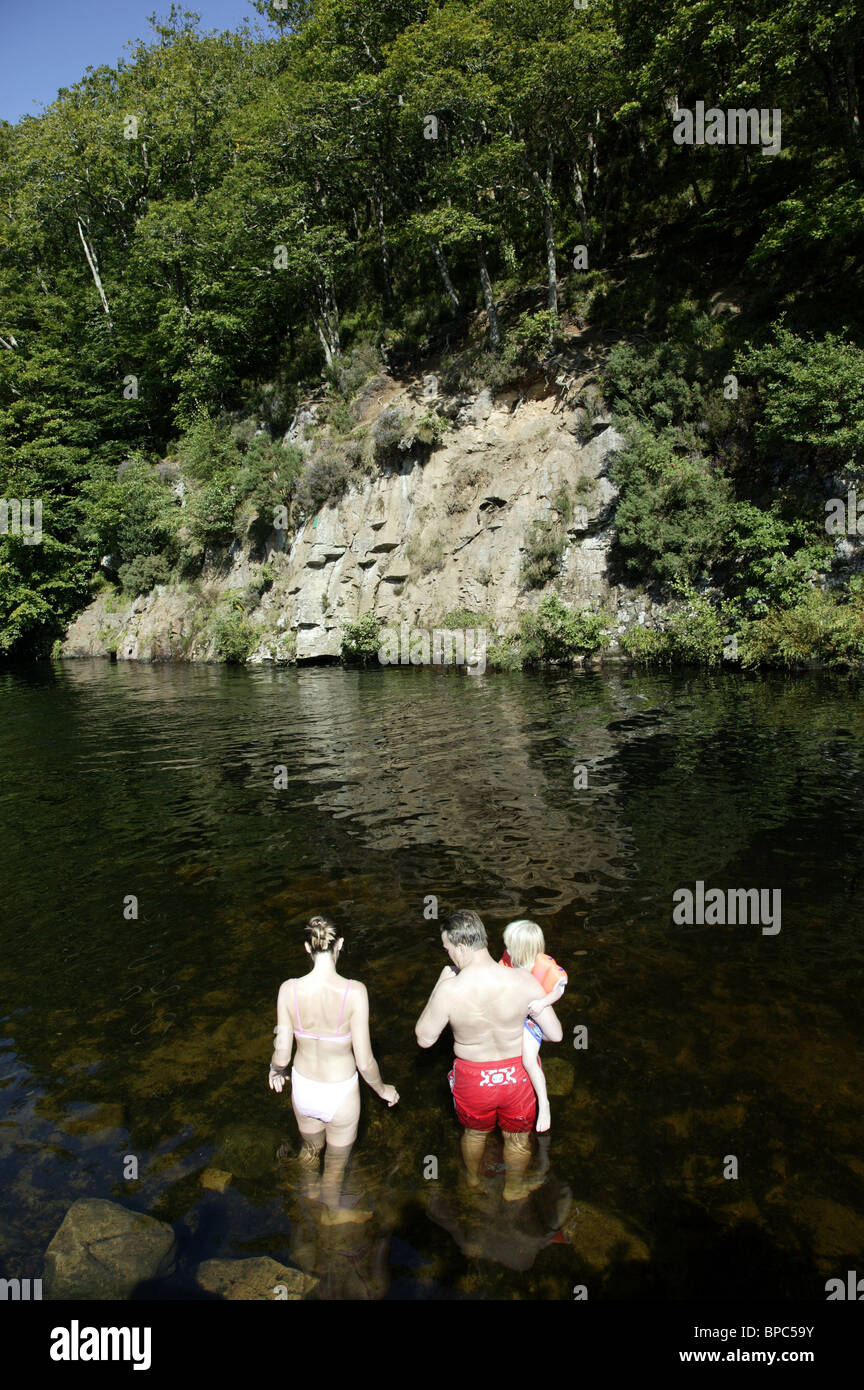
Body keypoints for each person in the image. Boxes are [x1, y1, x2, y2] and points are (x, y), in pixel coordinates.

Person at [415, 909, 562, 1201]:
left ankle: (470, 1180)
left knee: (475, 1134)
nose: (449, 957)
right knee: (517, 1138)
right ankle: (513, 1187)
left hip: (474, 1080)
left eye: (448, 950)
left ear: (459, 947)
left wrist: (440, 983)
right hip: (517, 1076)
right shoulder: (523, 979)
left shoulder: (450, 989)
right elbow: (555, 1034)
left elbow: (425, 1039)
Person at [269, 915, 398, 1221]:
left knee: (310, 1152)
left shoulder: (288, 989)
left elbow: (283, 1052)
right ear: (340, 945)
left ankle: (306, 1204)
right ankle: (331, 1215)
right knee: (336, 1166)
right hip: (340, 1094)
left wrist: (275, 1072)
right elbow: (365, 1060)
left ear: (306, 948)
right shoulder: (354, 992)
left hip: (304, 1089)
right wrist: (383, 1090)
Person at [500, 919, 567, 1134]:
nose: (506, 949)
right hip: (517, 1016)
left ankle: (544, 1104)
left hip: (533, 1017)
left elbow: (559, 988)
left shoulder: (543, 965)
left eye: (510, 945)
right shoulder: (509, 960)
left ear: (524, 950)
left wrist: (542, 1003)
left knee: (529, 1060)